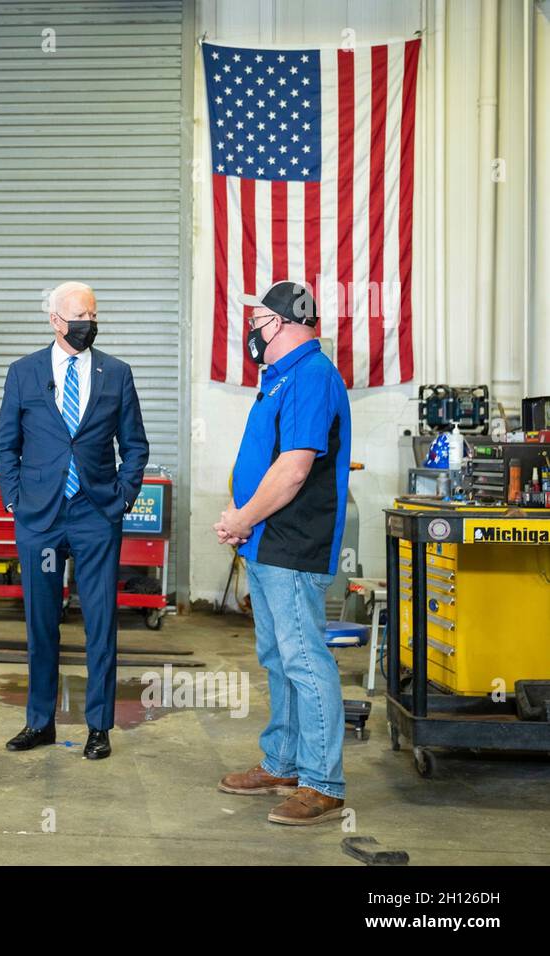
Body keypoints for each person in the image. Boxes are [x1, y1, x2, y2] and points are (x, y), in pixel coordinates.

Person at [213, 279, 352, 826]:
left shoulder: (312, 376)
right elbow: (263, 458)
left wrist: (243, 518)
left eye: (258, 320)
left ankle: (323, 782)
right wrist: (239, 515)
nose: (251, 329)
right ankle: (284, 762)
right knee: (278, 658)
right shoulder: (279, 378)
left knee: (304, 659)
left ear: (284, 323)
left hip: (294, 542)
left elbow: (294, 469)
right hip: (266, 541)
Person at [0, 281, 148, 760]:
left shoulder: (116, 373)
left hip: (96, 515)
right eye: (81, 315)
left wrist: (121, 498)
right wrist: (17, 501)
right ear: (56, 320)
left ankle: (98, 726)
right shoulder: (23, 373)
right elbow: (6, 446)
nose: (90, 323)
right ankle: (39, 722)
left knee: (101, 623)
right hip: (39, 519)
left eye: (94, 315)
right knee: (42, 623)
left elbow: (135, 446)